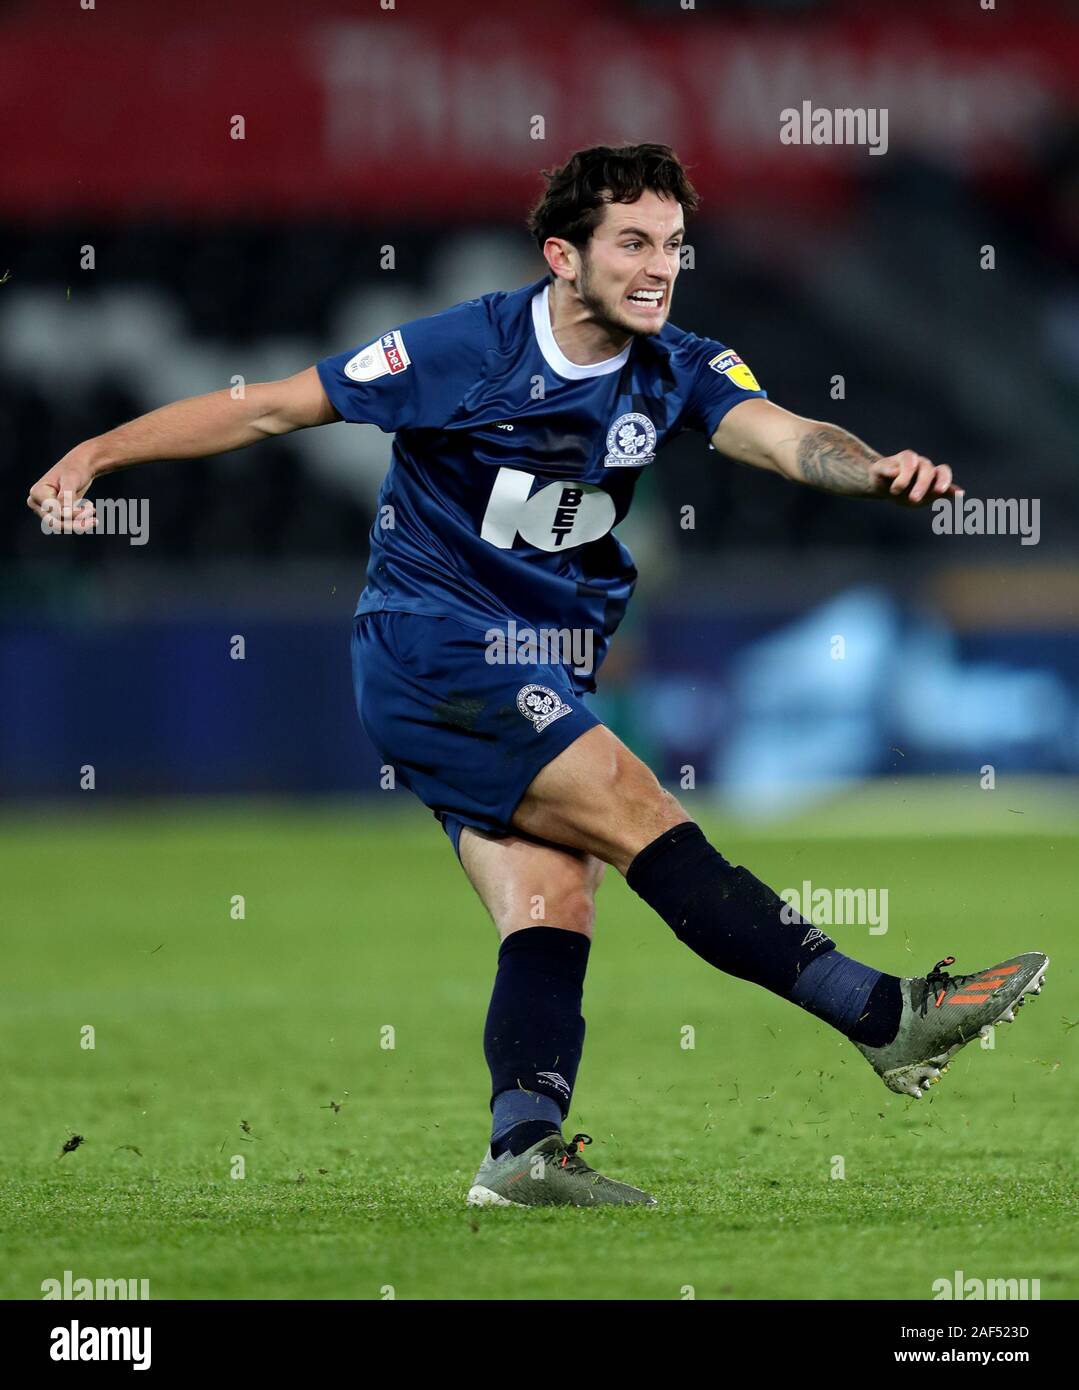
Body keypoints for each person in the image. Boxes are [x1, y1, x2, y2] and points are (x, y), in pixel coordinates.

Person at [26, 143, 1048, 1208]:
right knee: (636, 804)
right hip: (433, 646)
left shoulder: (680, 363)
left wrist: (867, 469)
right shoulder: (464, 348)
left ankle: (519, 1149)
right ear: (563, 256)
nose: (658, 268)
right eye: (633, 245)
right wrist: (96, 453)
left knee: (555, 896)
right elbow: (272, 407)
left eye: (674, 247)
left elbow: (788, 437)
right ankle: (883, 1014)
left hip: (534, 664)